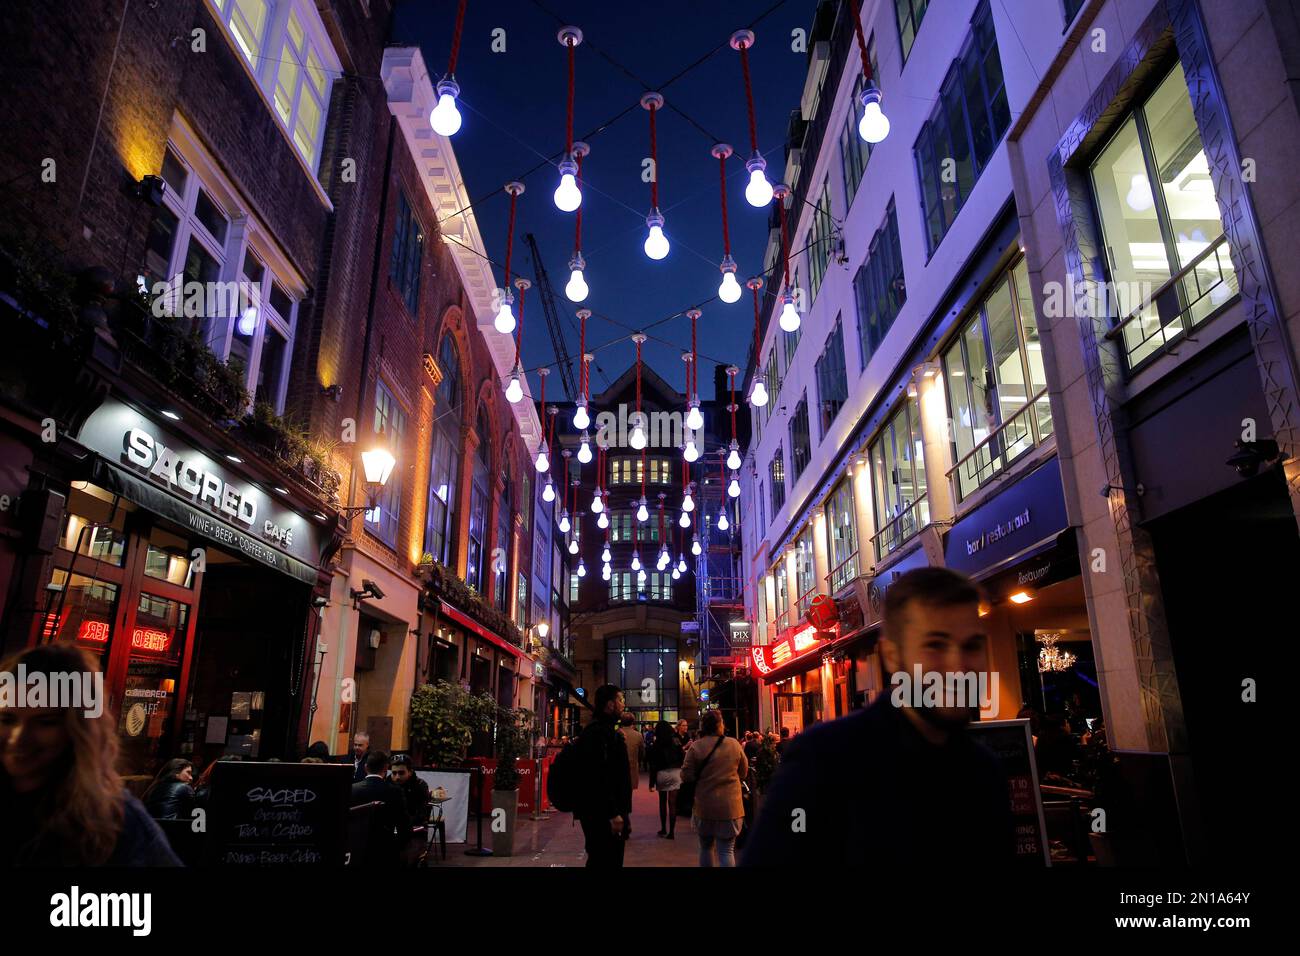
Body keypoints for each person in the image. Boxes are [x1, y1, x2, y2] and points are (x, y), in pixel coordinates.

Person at [743, 567, 1015, 867]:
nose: (958, 665)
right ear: (892, 655)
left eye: (971, 646)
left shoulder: (984, 772)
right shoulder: (823, 762)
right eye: (935, 645)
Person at [0, 643, 179, 865]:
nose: (19, 738)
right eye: (7, 719)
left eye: (45, 722)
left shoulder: (117, 823)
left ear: (78, 730)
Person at [573, 685, 632, 868]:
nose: (623, 704)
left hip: (607, 811)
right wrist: (613, 813)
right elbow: (598, 776)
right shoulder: (598, 734)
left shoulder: (606, 732)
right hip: (601, 814)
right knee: (604, 859)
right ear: (609, 705)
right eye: (620, 700)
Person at [681, 710, 748, 867]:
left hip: (704, 806)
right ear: (719, 725)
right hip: (730, 806)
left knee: (705, 848)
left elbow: (686, 775)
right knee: (726, 850)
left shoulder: (696, 747)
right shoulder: (734, 744)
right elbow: (743, 772)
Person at [349, 750, 410, 866]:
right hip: (385, 848)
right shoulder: (395, 791)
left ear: (366, 768)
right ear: (386, 768)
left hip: (357, 847)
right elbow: (403, 823)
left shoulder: (352, 789)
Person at [647, 719, 684, 838]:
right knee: (672, 803)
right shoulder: (676, 741)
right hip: (675, 772)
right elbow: (682, 757)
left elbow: (653, 765)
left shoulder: (657, 743)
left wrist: (651, 783)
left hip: (662, 773)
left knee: (662, 802)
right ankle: (672, 832)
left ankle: (663, 828)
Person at [388, 753, 430, 822]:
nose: (397, 777)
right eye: (394, 773)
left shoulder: (420, 785)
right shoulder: (387, 783)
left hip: (412, 826)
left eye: (401, 773)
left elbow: (421, 815)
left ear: (410, 772)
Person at [619, 712, 644, 793]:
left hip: (617, 767)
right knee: (629, 792)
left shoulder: (616, 733)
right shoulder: (638, 735)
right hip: (632, 767)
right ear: (632, 722)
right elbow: (642, 753)